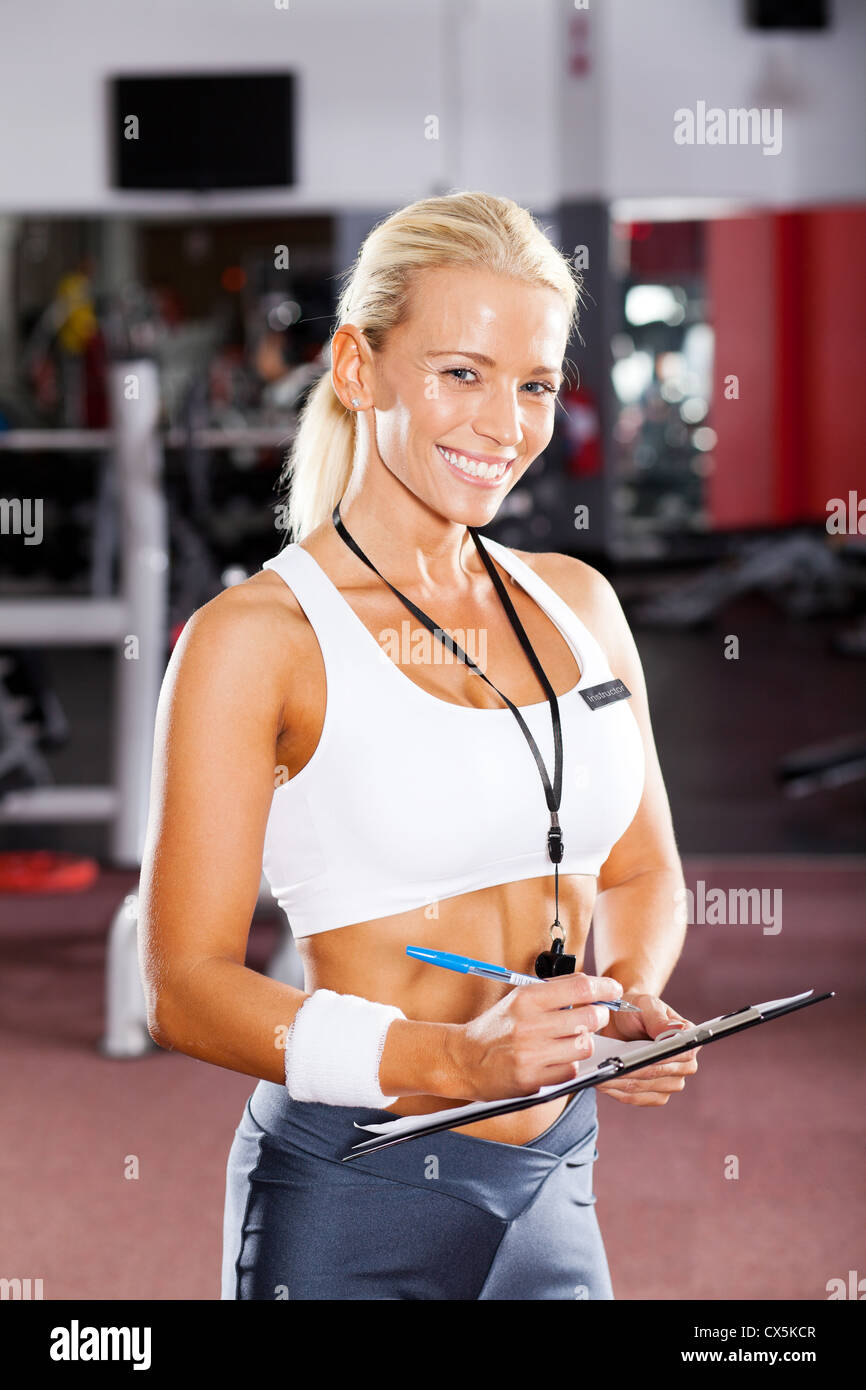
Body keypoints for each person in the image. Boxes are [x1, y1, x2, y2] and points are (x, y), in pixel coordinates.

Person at [138, 190, 699, 1301]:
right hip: (357, 1188)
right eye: (461, 373)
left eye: (532, 383)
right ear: (357, 369)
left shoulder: (579, 602)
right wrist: (457, 1061)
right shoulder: (256, 638)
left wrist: (619, 1002)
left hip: (556, 1179)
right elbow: (181, 988)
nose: (503, 424)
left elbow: (639, 869)